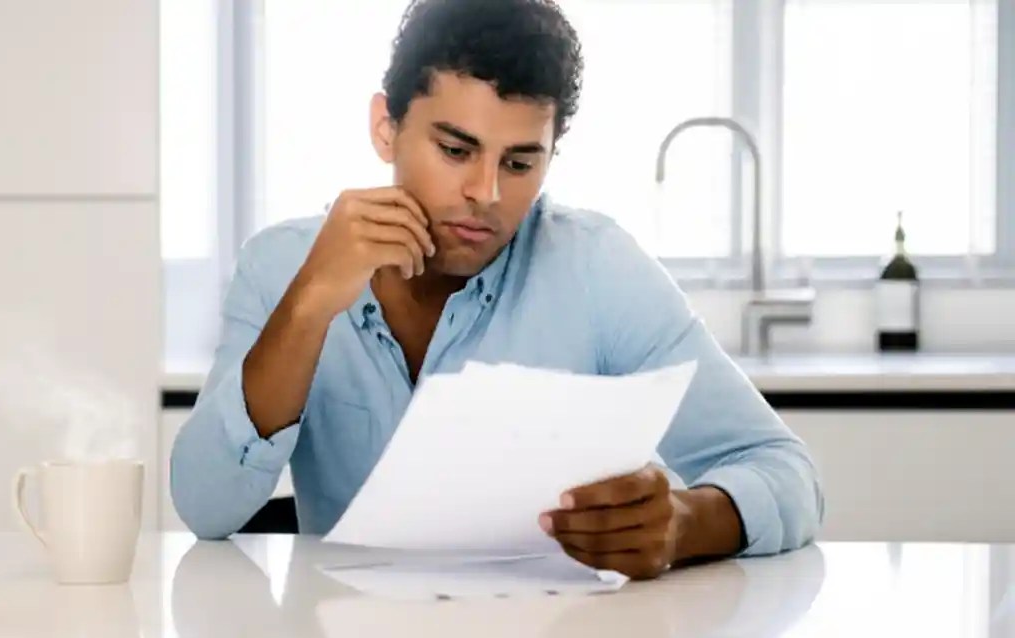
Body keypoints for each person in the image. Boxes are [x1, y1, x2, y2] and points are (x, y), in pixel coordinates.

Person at [171, 0, 824, 579]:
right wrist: (309, 308)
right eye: (456, 150)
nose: (485, 194)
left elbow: (785, 471)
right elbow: (205, 507)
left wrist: (685, 522)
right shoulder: (281, 266)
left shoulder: (597, 268)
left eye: (518, 162)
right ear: (385, 128)